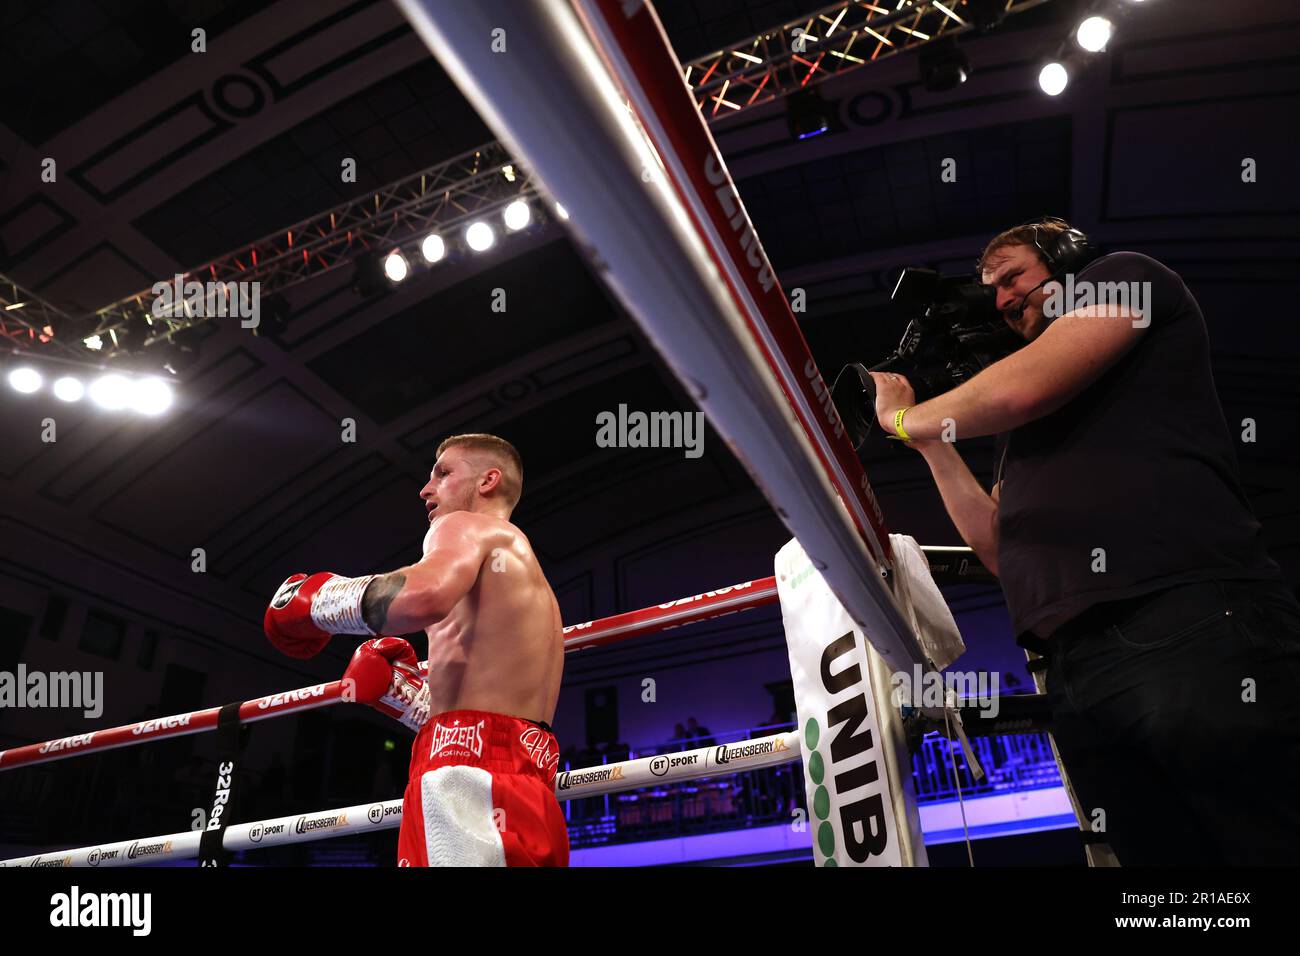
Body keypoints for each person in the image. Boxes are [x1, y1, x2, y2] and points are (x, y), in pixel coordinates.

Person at [868, 217, 1300, 865]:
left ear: (1067, 258)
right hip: (1073, 666)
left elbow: (1019, 386)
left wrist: (902, 419)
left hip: (1182, 612)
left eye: (1013, 277)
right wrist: (928, 442)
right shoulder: (1024, 428)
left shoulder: (1127, 275)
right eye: (993, 292)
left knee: (1263, 839)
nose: (1004, 299)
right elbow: (995, 543)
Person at [262, 433, 568, 866]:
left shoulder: (465, 526)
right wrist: (408, 699)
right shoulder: (523, 575)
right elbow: (498, 722)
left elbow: (420, 598)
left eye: (443, 473)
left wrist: (319, 602)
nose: (426, 489)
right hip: (526, 779)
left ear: (487, 481)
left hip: (467, 779)